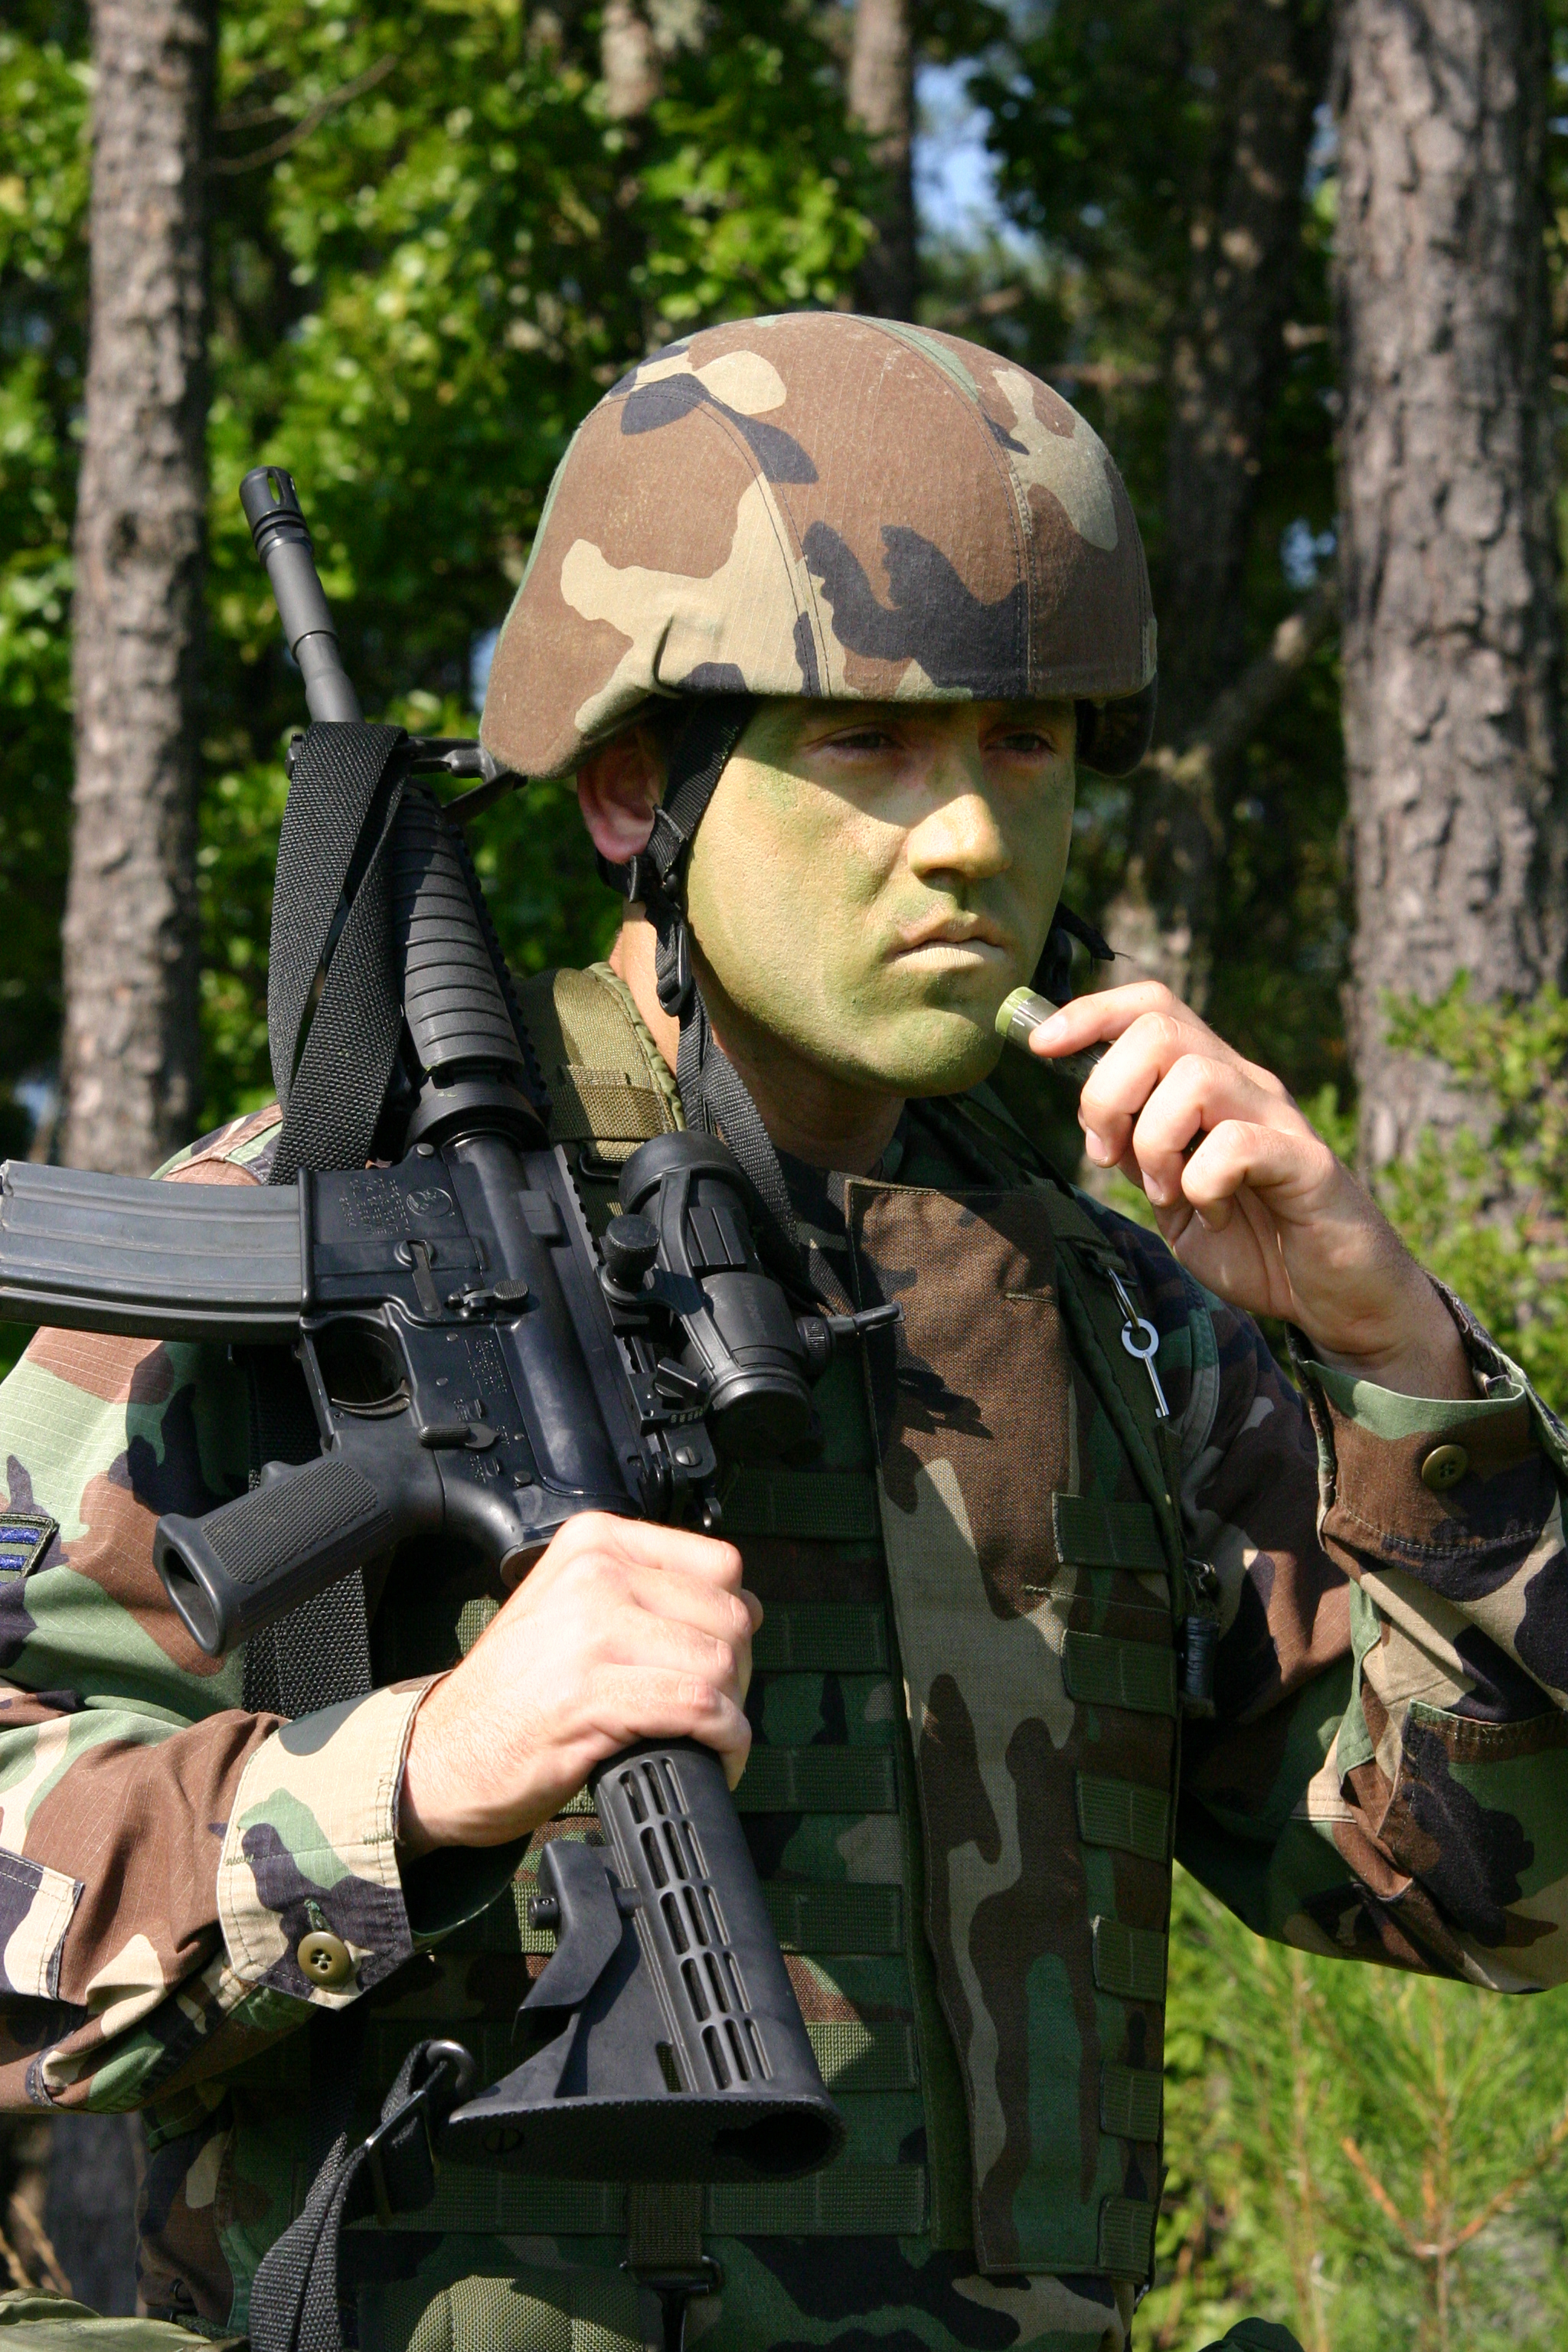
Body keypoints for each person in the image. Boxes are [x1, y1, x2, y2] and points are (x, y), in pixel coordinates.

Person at [0, 312, 1564, 2352]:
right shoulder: (303, 1253)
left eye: (1029, 744)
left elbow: (1490, 1889)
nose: (977, 837)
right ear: (638, 790)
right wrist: (415, 1771)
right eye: (870, 747)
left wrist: (1403, 1367)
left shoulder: (1110, 1320)